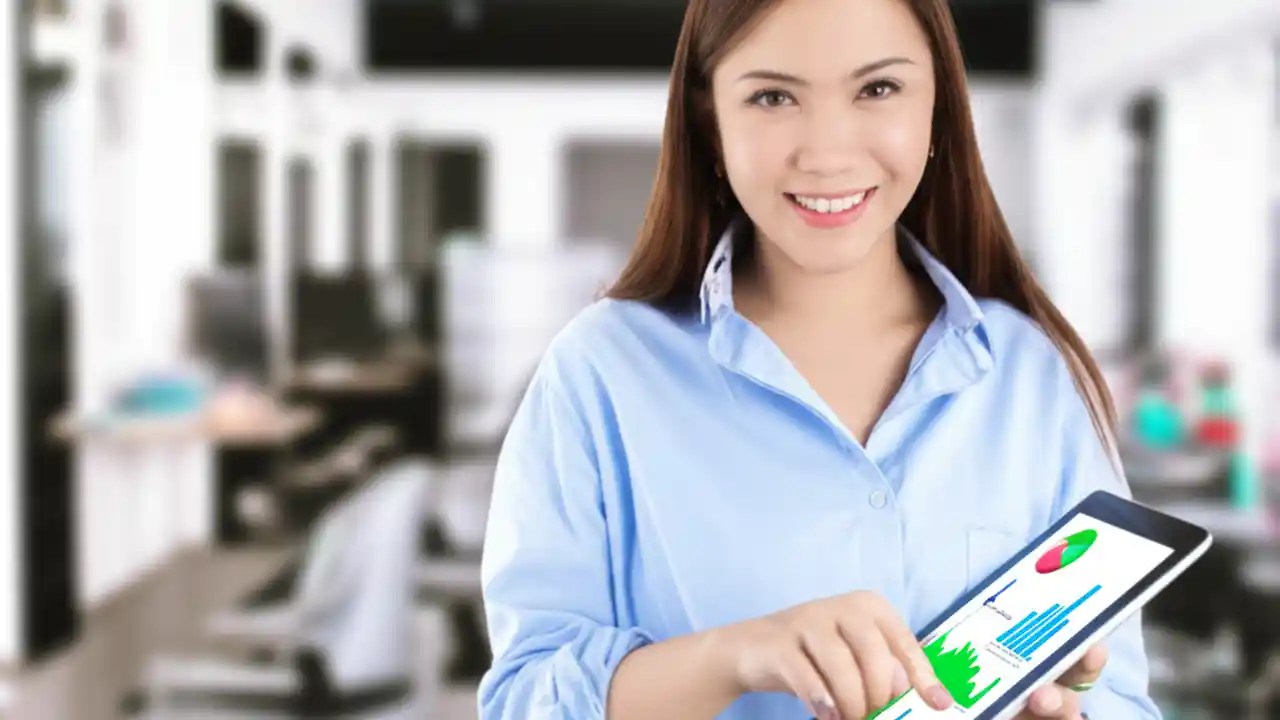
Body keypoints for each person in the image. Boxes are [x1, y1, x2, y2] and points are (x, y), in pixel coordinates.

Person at [478, 0, 1160, 718]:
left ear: (938, 111)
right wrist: (735, 655)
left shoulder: (1031, 377)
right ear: (710, 123)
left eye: (877, 89)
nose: (827, 153)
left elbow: (1122, 698)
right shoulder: (601, 374)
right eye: (772, 97)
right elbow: (525, 700)